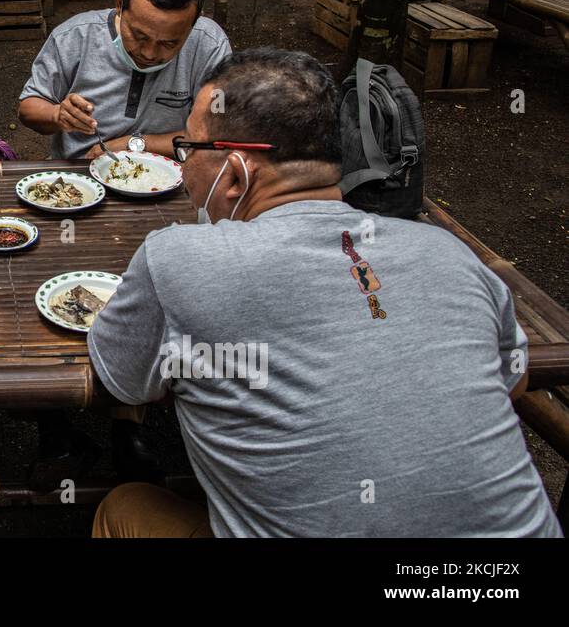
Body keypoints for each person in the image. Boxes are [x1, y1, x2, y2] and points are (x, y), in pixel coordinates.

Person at [89, 48, 563, 537]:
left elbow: (124, 383)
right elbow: (512, 382)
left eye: (188, 150)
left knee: (125, 505)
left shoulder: (175, 258)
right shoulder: (449, 253)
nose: (182, 167)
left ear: (234, 174)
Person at [19, 0, 231, 162]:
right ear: (119, 3)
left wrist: (134, 144)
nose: (149, 53)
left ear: (194, 22)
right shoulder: (74, 36)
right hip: (80, 172)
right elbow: (29, 107)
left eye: (170, 43)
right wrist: (57, 114)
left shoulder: (210, 46)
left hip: (173, 177)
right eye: (139, 36)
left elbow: (217, 134)